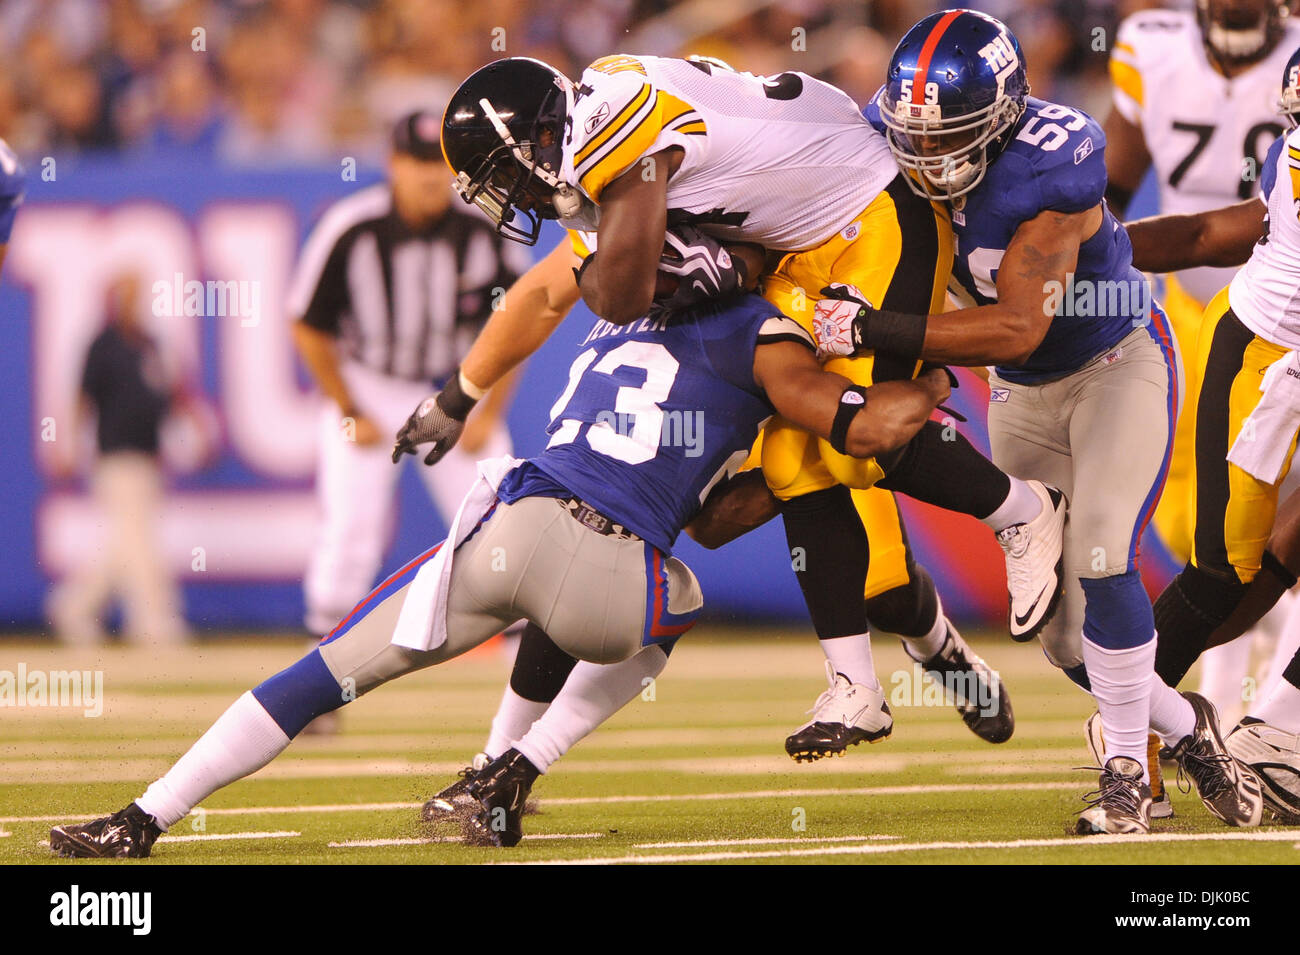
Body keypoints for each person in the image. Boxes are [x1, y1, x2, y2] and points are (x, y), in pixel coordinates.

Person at [48, 235, 952, 858]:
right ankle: (510, 768)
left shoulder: (612, 324)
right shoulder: (764, 334)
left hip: (506, 529)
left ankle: (141, 817)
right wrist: (928, 374)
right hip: (613, 577)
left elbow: (557, 296)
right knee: (678, 596)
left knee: (321, 673)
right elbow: (843, 442)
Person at [420, 51, 1063, 761]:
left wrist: (664, 266)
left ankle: (1016, 522)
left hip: (866, 221)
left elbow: (618, 291)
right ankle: (912, 658)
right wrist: (457, 397)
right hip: (798, 253)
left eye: (504, 176)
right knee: (766, 491)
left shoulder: (616, 142)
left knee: (855, 465)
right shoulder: (603, 161)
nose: (509, 198)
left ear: (536, 143)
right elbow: (550, 293)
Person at [814, 9, 1262, 834]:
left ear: (1004, 116)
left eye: (951, 134)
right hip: (1019, 390)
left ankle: (1127, 773)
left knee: (1099, 549)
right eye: (915, 135)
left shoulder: (1055, 163)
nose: (926, 156)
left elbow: (1018, 324)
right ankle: (1182, 724)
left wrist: (870, 327)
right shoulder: (881, 136)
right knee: (1062, 638)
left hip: (1111, 362)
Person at [1118, 45, 1300, 824]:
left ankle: (1279, 722)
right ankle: (1131, 727)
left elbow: (1222, 231)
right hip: (1265, 356)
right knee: (1229, 568)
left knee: (1269, 559)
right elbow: (1212, 236)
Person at [288, 110, 529, 641]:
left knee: (501, 523)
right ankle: (318, 674)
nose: (427, 177)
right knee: (351, 530)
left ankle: (523, 679)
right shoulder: (352, 227)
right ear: (392, 164)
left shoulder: (484, 227)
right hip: (371, 385)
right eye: (416, 162)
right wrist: (349, 408)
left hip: (455, 386)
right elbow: (307, 325)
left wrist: (489, 408)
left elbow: (518, 318)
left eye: (436, 163)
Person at [46, 273, 189, 646]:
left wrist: (194, 428)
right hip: (115, 456)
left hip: (147, 455)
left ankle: (72, 607)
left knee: (124, 543)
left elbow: (169, 394)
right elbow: (83, 397)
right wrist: (69, 444)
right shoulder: (103, 344)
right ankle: (154, 622)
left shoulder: (148, 343)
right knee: (139, 541)